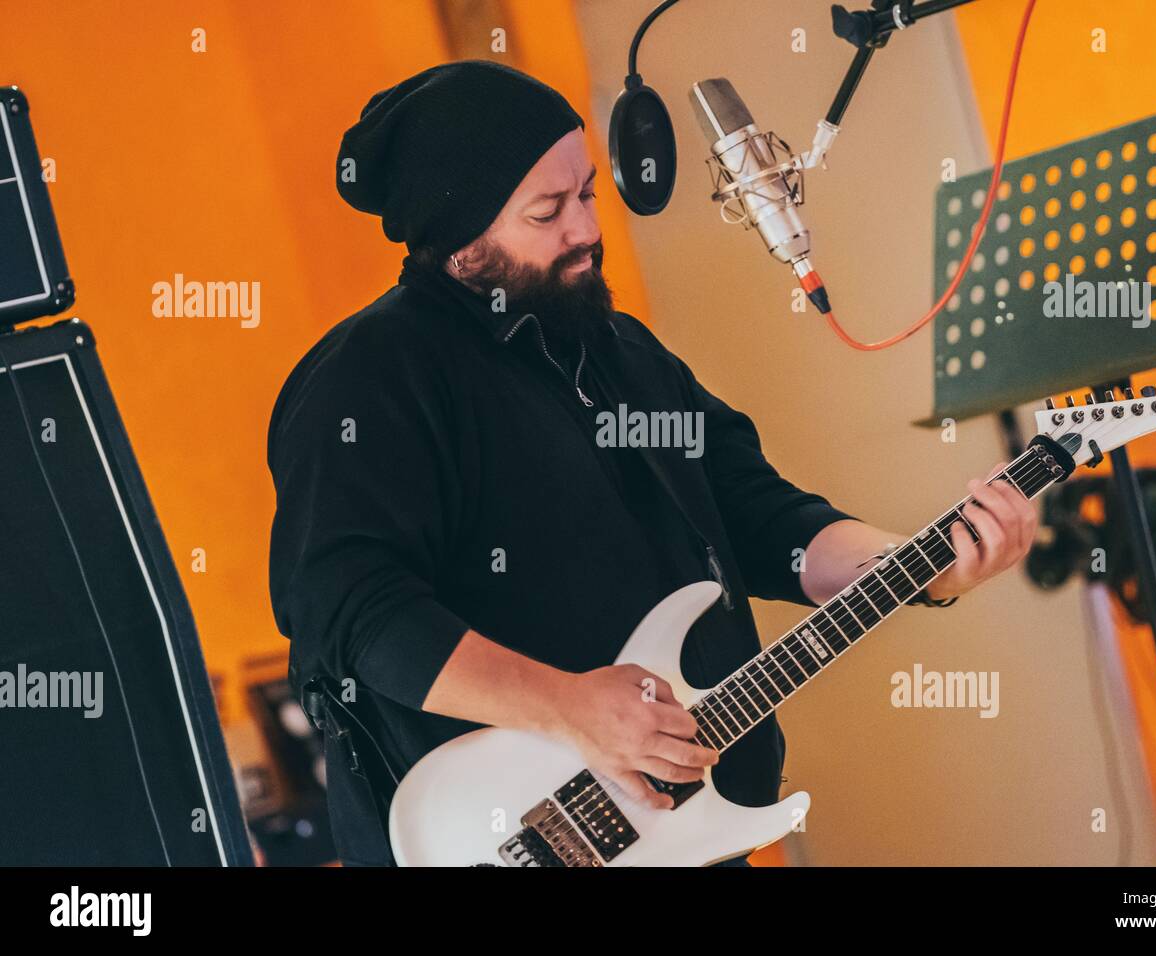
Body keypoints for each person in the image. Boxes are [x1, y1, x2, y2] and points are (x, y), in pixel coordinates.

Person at [266, 60, 1038, 866]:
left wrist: (916, 567)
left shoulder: (619, 351)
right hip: (506, 837)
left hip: (682, 827)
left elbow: (754, 514)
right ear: (462, 242)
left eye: (589, 194)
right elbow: (352, 612)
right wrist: (571, 708)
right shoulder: (371, 378)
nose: (587, 231)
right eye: (547, 212)